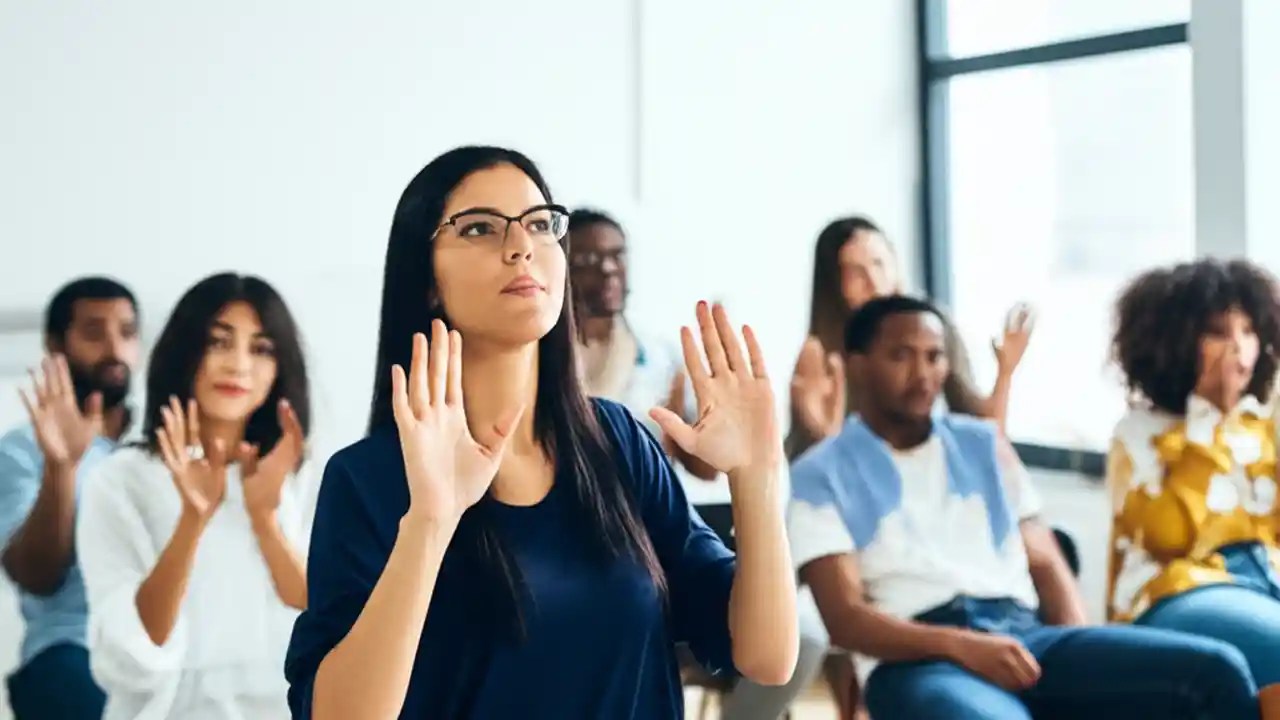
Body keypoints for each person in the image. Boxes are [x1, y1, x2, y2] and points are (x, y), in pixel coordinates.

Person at [284, 145, 798, 720]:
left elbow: (766, 657)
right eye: (479, 228)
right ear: (427, 281)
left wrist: (756, 477)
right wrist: (430, 521)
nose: (521, 246)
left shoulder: (618, 442)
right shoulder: (370, 479)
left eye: (539, 224)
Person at [789, 293, 1262, 719]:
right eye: (901, 356)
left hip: (1025, 636)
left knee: (1216, 672)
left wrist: (1081, 662)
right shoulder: (820, 474)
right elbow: (844, 619)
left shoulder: (982, 446)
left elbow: (1047, 563)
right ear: (857, 366)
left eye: (934, 356)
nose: (923, 373)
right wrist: (959, 645)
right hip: (918, 660)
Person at [726, 216, 1034, 720]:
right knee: (822, 619)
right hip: (851, 532)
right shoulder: (821, 355)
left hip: (936, 530)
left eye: (878, 262)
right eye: (854, 270)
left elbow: (984, 438)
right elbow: (814, 465)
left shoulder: (933, 328)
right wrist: (822, 423)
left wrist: (1005, 375)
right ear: (833, 281)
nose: (871, 277)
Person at [75, 272, 315, 719]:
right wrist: (193, 518)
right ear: (184, 350)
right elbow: (136, 645)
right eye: (219, 342)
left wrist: (265, 521)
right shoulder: (120, 479)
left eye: (261, 348)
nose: (238, 365)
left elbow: (315, 606)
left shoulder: (289, 472)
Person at [1106, 259, 1280, 714]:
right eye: (1218, 333)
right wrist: (1204, 419)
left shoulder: (1260, 427)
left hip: (1266, 580)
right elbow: (1168, 537)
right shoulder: (1139, 434)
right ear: (1177, 343)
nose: (1238, 347)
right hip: (1177, 590)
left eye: (1248, 331)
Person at [0, 276, 140, 719]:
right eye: (94, 333)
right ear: (55, 345)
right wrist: (61, 468)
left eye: (127, 332)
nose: (114, 348)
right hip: (73, 654)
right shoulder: (21, 451)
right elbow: (35, 574)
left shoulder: (163, 445)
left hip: (162, 653)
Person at [566, 208, 719, 490]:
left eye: (617, 256)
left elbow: (707, 471)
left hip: (645, 508)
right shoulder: (540, 357)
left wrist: (685, 429)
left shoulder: (662, 359)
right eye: (588, 260)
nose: (608, 269)